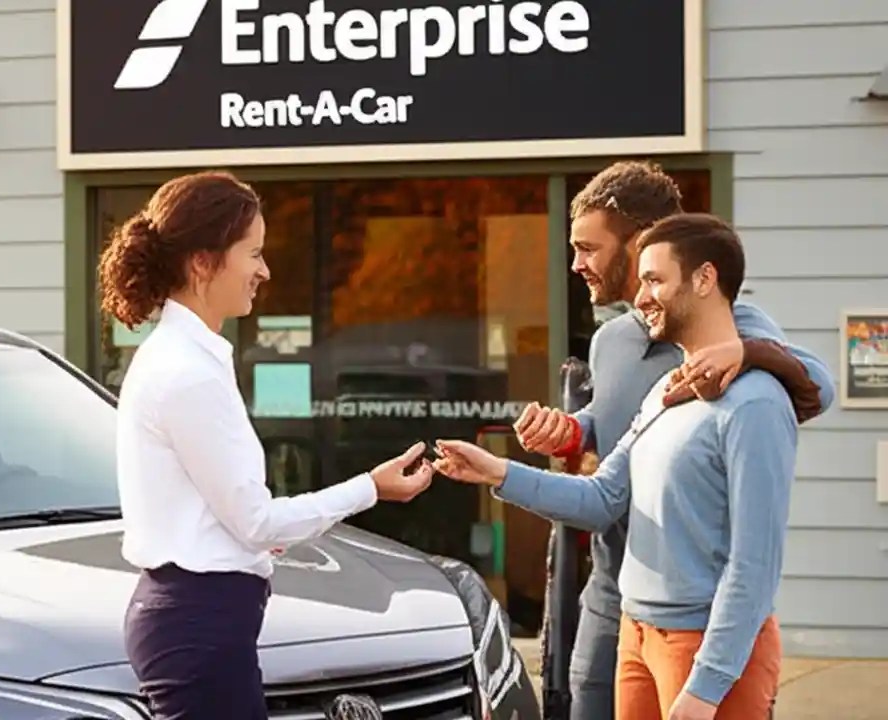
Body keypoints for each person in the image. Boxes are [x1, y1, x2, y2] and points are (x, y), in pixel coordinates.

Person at [433, 213, 800, 720]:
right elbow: (602, 497)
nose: (641, 297)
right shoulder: (665, 392)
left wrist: (708, 686)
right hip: (636, 633)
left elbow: (754, 564)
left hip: (702, 645)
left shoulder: (755, 404)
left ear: (704, 279)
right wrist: (497, 471)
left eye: (655, 280)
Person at [98, 170, 434, 719]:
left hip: (198, 623)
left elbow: (228, 519)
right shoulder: (187, 372)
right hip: (199, 628)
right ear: (203, 262)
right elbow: (256, 522)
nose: (265, 270)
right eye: (253, 254)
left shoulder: (187, 359)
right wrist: (370, 488)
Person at [511, 161, 833, 720]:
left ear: (642, 242)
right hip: (612, 594)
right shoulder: (610, 340)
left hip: (694, 610)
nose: (577, 264)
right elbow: (620, 424)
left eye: (588, 248)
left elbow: (817, 387)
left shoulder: (734, 325)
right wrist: (572, 431)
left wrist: (747, 352)